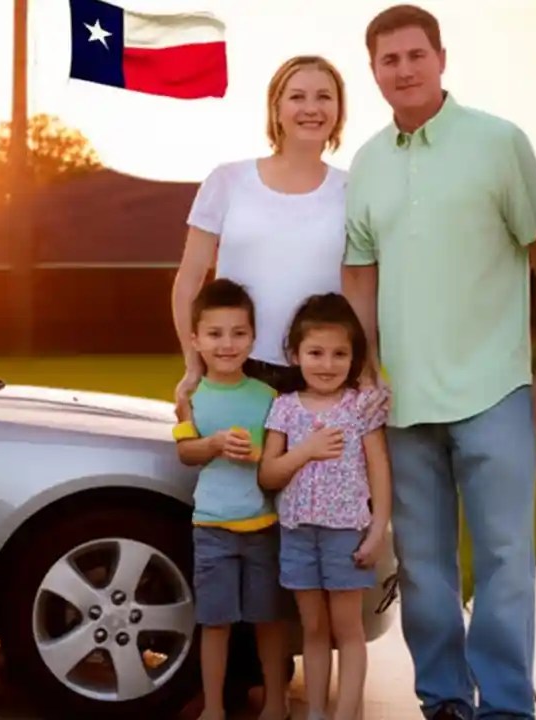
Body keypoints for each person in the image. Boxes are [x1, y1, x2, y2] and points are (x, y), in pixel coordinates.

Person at [341, 5, 536, 719]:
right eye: (389, 60)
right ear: (374, 70)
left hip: (495, 387)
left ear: (441, 59)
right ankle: (443, 697)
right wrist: (368, 368)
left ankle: (505, 706)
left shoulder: (499, 142)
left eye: (416, 55)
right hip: (404, 400)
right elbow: (359, 273)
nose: (404, 70)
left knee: (505, 560)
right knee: (425, 566)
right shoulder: (369, 162)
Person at [171, 54, 352, 712]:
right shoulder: (228, 181)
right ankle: (231, 685)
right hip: (238, 373)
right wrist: (195, 363)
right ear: (275, 107)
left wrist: (363, 370)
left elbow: (362, 285)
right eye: (297, 95)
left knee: (296, 533)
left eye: (324, 97)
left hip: (316, 379)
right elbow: (191, 276)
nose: (311, 107)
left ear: (338, 110)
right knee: (231, 525)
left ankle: (283, 688)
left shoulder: (351, 189)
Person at [258, 293, 393, 720]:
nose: (327, 364)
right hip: (297, 534)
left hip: (345, 534)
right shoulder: (284, 408)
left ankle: (346, 713)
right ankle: (316, 711)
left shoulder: (359, 408)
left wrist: (376, 531)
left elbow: (379, 471)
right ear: (295, 355)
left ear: (354, 358)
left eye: (340, 354)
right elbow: (269, 475)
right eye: (315, 353)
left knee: (347, 628)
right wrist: (308, 451)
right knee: (313, 628)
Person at [172, 278, 287, 720]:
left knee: (268, 621)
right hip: (212, 529)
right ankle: (214, 708)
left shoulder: (269, 398)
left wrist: (256, 454)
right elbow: (186, 452)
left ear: (253, 338)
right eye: (216, 334)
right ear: (197, 339)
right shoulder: (191, 398)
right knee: (215, 622)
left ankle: (276, 704)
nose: (227, 344)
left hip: (262, 528)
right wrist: (214, 444)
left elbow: (276, 464)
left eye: (239, 333)